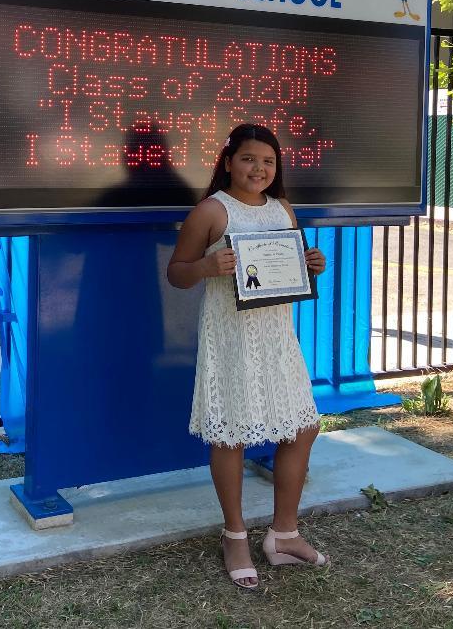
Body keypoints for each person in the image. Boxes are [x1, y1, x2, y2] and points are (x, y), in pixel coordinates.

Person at [167, 123, 329, 590]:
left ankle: (284, 534)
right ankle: (234, 535)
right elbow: (176, 273)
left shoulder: (282, 208)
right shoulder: (211, 211)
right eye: (248, 159)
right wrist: (205, 266)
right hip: (231, 335)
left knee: (303, 427)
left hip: (276, 336)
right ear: (228, 162)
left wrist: (311, 265)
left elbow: (290, 269)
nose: (258, 168)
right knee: (231, 434)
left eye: (268, 161)